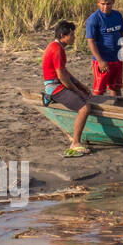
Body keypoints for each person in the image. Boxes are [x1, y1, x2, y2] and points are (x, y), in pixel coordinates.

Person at [41, 20, 93, 156]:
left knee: (82, 98)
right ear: (63, 35)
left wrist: (80, 85)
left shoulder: (56, 47)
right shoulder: (57, 49)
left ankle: (72, 134)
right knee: (84, 108)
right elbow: (62, 77)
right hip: (54, 87)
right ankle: (75, 142)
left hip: (56, 84)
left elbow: (64, 72)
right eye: (72, 35)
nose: (74, 37)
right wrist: (77, 92)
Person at [84, 0, 123, 99]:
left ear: (113, 2)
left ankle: (117, 109)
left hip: (117, 58)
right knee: (99, 90)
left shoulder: (117, 15)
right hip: (103, 59)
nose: (105, 7)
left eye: (108, 4)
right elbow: (91, 41)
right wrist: (100, 61)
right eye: (102, 4)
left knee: (116, 87)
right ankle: (96, 111)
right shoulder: (93, 19)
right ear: (98, 3)